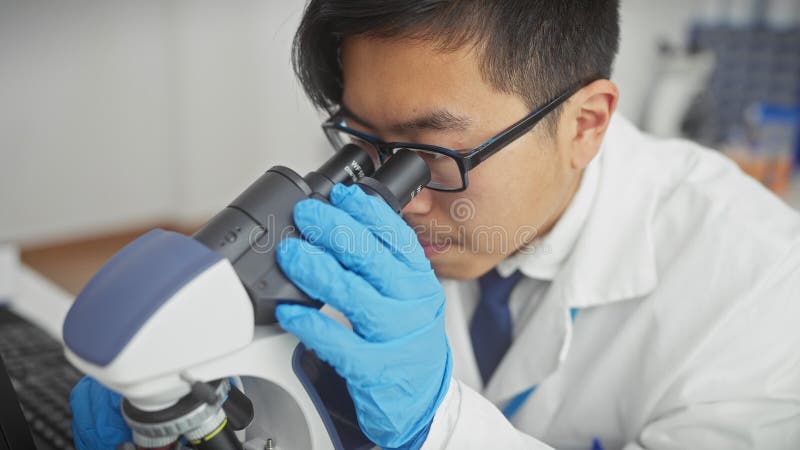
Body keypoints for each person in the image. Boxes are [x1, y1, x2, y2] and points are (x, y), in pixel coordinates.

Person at [70, 1, 800, 449]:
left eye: (432, 152)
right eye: (366, 145)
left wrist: (437, 428)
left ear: (586, 123)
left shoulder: (763, 290)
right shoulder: (379, 190)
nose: (399, 195)